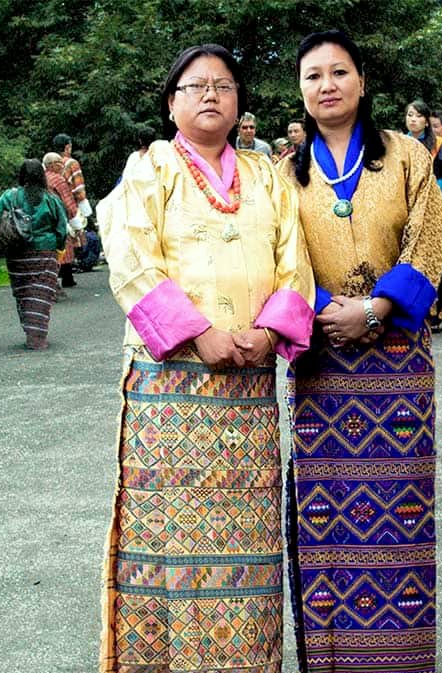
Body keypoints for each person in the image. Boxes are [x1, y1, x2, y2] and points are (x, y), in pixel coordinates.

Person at [95, 43, 315, 673]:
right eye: (196, 86)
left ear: (240, 101)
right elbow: (132, 260)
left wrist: (270, 332)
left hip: (248, 388)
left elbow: (292, 262)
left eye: (223, 85)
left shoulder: (267, 174)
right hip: (170, 388)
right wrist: (196, 334)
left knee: (247, 540)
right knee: (167, 539)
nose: (211, 95)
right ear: (172, 103)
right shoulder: (149, 168)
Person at [283, 30, 442, 673]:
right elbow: (280, 256)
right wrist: (326, 309)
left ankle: (399, 657)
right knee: (327, 514)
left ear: (361, 82)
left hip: (399, 356)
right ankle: (331, 658)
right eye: (313, 76)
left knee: (399, 513)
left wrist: (376, 308)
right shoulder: (283, 175)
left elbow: (429, 237)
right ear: (301, 91)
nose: (327, 85)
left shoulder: (406, 156)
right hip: (322, 361)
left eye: (339, 72)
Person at [0, 159, 68, 351]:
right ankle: (38, 336)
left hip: (17, 254)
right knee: (41, 294)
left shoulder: (9, 196)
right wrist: (59, 250)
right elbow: (61, 228)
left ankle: (30, 332)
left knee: (23, 292)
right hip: (45, 254)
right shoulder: (51, 199)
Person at [407, 100, 442, 326]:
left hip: (433, 207)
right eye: (409, 115)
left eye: (417, 116)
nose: (413, 119)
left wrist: (431, 186)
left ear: (426, 120)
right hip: (406, 208)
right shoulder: (399, 144)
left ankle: (434, 309)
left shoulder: (439, 146)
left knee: (430, 257)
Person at [42, 152, 85, 293]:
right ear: (52, 165)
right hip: (58, 218)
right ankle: (66, 278)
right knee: (65, 247)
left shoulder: (42, 179)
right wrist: (76, 220)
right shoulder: (58, 180)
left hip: (43, 219)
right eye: (60, 163)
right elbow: (68, 201)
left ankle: (62, 278)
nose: (62, 166)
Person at [52, 133, 93, 222]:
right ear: (67, 146)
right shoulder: (72, 163)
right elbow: (79, 192)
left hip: (57, 209)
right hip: (74, 208)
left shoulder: (50, 165)